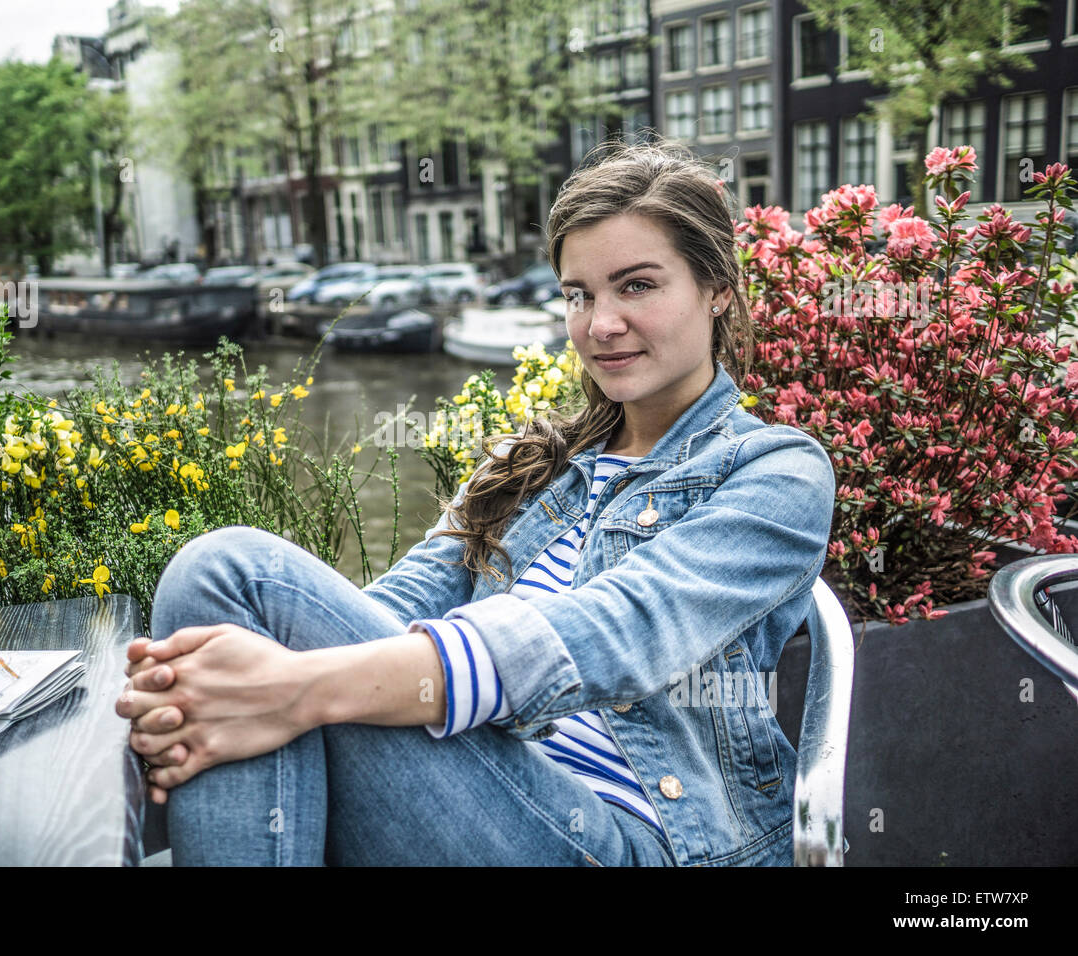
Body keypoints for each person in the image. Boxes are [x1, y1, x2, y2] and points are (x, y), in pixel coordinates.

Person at [114, 134, 837, 866]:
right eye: (578, 295)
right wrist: (268, 680)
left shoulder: (775, 472)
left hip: (636, 840)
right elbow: (395, 607)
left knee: (236, 573)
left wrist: (299, 688)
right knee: (223, 581)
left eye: (638, 286)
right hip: (472, 789)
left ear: (717, 289)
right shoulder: (527, 465)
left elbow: (611, 632)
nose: (601, 324)